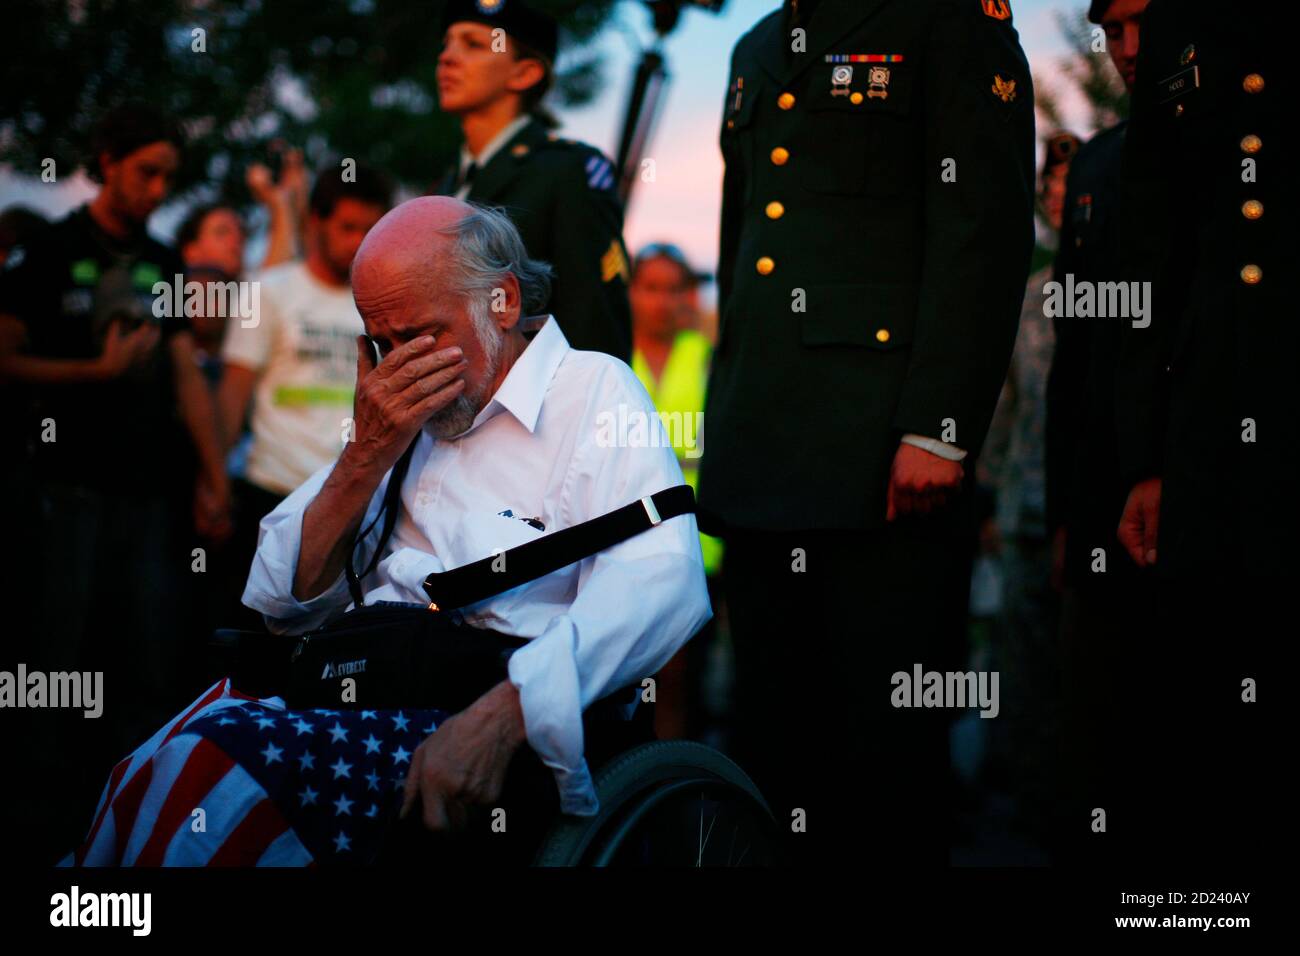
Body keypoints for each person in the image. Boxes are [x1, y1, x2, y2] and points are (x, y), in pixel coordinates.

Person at [67, 197, 710, 867]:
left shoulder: (592, 391)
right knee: (151, 765)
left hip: (480, 709)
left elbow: (664, 579)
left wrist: (504, 716)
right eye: (382, 343)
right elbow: (279, 597)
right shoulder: (401, 415)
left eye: (420, 336)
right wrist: (366, 453)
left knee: (209, 777)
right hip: (365, 680)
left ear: (503, 302)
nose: (398, 364)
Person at [698, 0, 1036, 866]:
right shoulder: (755, 46)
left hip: (882, 450)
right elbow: (746, 248)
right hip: (767, 447)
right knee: (768, 735)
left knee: (884, 753)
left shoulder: (945, 18)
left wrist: (941, 425)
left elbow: (984, 227)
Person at [0, 103, 229, 859]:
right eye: (146, 171)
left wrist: (212, 471)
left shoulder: (163, 261)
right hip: (65, 491)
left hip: (151, 495)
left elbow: (183, 371)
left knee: (147, 658)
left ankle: (129, 814)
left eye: (169, 174)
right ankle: (39, 823)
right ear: (107, 161)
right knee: (54, 656)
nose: (158, 188)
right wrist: (89, 374)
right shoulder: (49, 253)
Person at [1113, 0, 1285, 866]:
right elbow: (1156, 256)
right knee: (1209, 716)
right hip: (1212, 432)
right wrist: (1146, 460)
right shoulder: (1179, 23)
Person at [1041, 0, 1150, 866]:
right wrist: (1067, 518)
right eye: (1111, 30)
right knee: (1101, 745)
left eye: (1145, 22)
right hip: (1101, 505)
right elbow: (1076, 364)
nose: (1129, 49)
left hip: (1218, 496)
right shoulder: (1101, 166)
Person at [213, 167, 393, 630]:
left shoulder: (383, 302)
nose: (358, 242)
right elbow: (232, 395)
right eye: (348, 227)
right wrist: (212, 485)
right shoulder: (268, 292)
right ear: (315, 221)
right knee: (255, 640)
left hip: (356, 505)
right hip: (270, 496)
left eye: (371, 230)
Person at [431, 0, 632, 361]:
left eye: (474, 45)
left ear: (525, 74)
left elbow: (595, 327)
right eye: (447, 43)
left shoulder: (568, 170)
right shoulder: (448, 184)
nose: (447, 57)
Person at [978, 129, 1079, 852]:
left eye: (1072, 186)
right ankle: (1026, 809)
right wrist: (988, 497)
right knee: (1021, 668)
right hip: (1023, 514)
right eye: (1051, 187)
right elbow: (1004, 408)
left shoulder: (1134, 291)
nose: (1059, 197)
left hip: (1101, 523)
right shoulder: (1030, 299)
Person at [628, 243, 724, 742]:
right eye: (650, 288)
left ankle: (674, 782)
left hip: (698, 546)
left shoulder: (709, 359)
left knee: (681, 678)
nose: (662, 301)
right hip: (624, 543)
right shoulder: (609, 359)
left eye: (674, 289)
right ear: (631, 291)